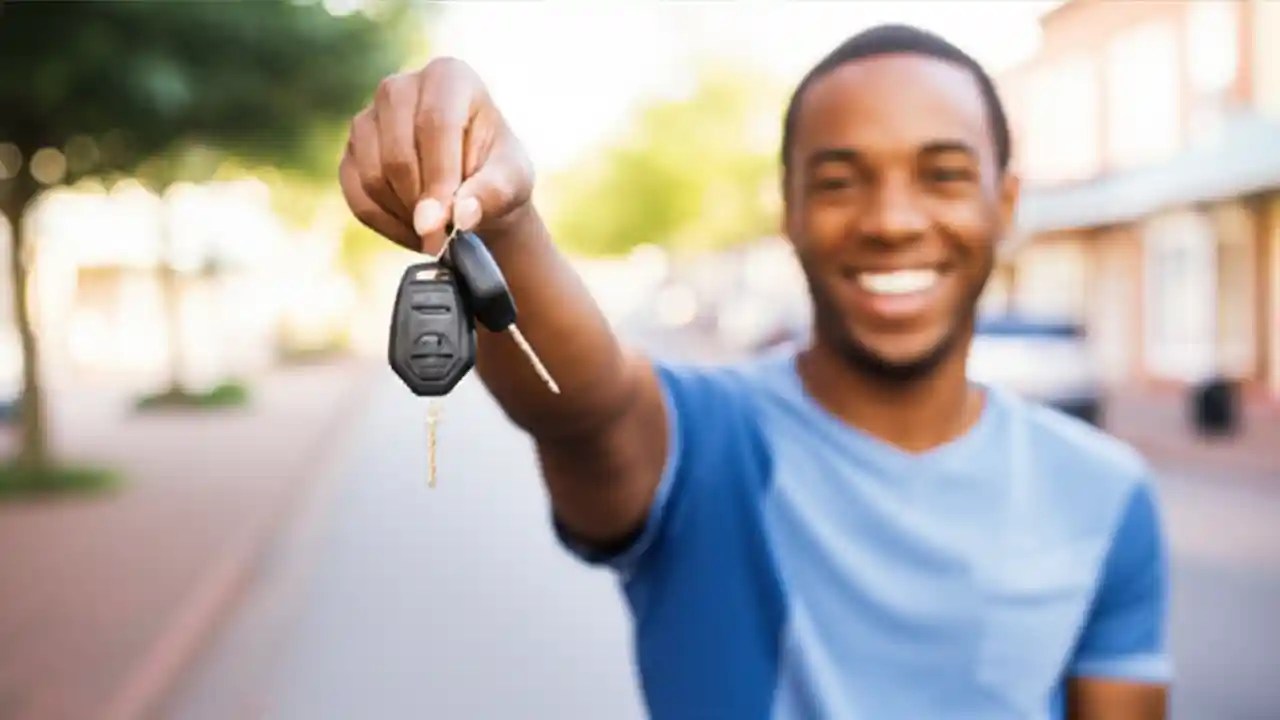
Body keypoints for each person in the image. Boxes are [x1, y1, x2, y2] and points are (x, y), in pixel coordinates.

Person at [339, 23, 1171, 720]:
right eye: (840, 180)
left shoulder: (1106, 493)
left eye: (943, 175)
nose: (891, 220)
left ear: (1006, 203)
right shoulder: (700, 442)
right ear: (791, 213)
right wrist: (508, 223)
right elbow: (584, 405)